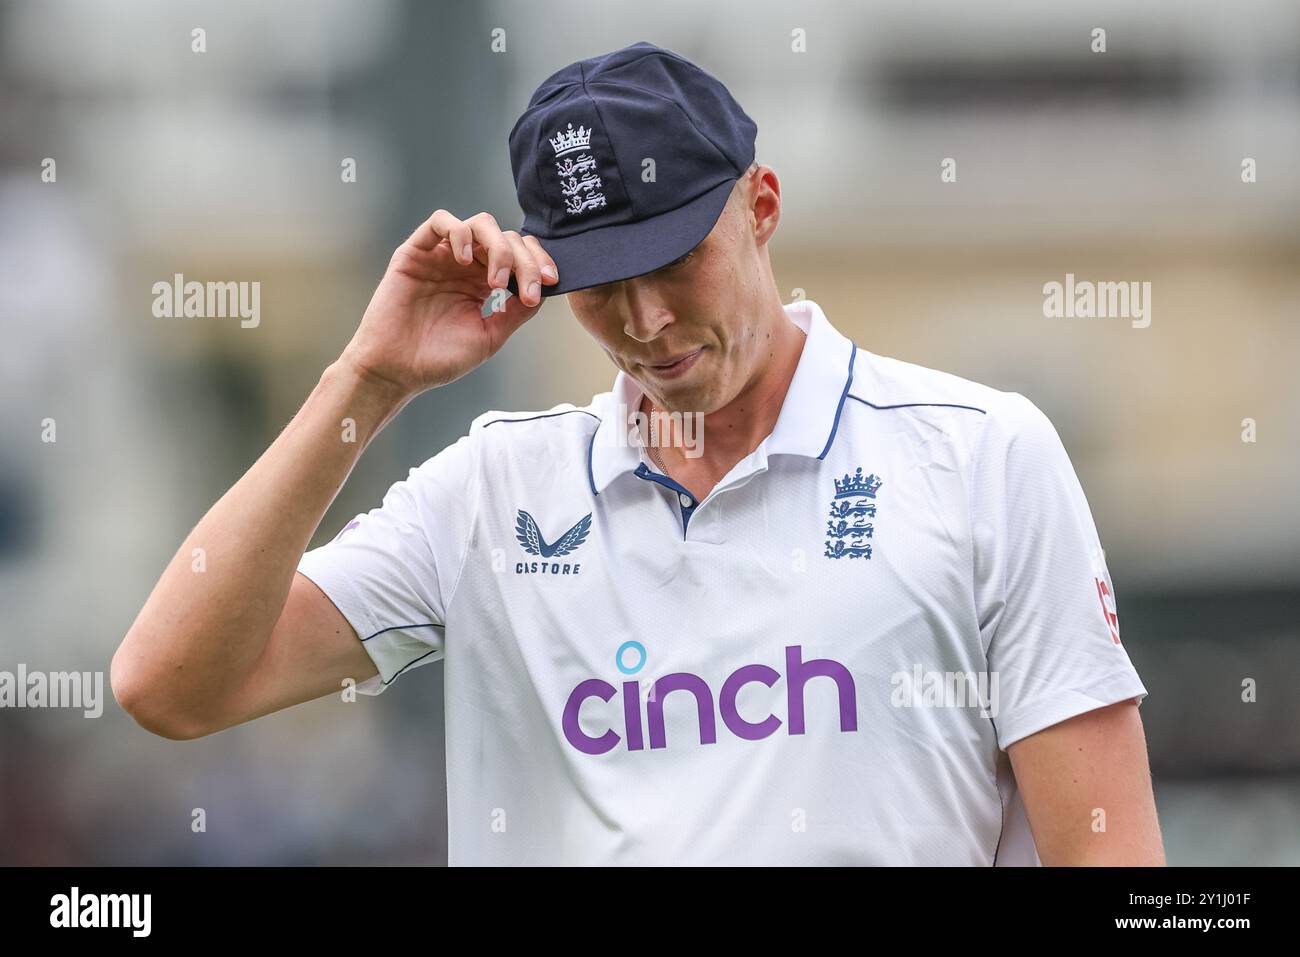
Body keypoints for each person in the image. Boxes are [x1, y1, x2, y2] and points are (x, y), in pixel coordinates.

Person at [112, 41, 1164, 865]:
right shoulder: (492, 495)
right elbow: (172, 684)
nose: (647, 319)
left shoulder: (979, 459)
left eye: (674, 259)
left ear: (761, 207)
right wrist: (367, 380)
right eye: (601, 282)